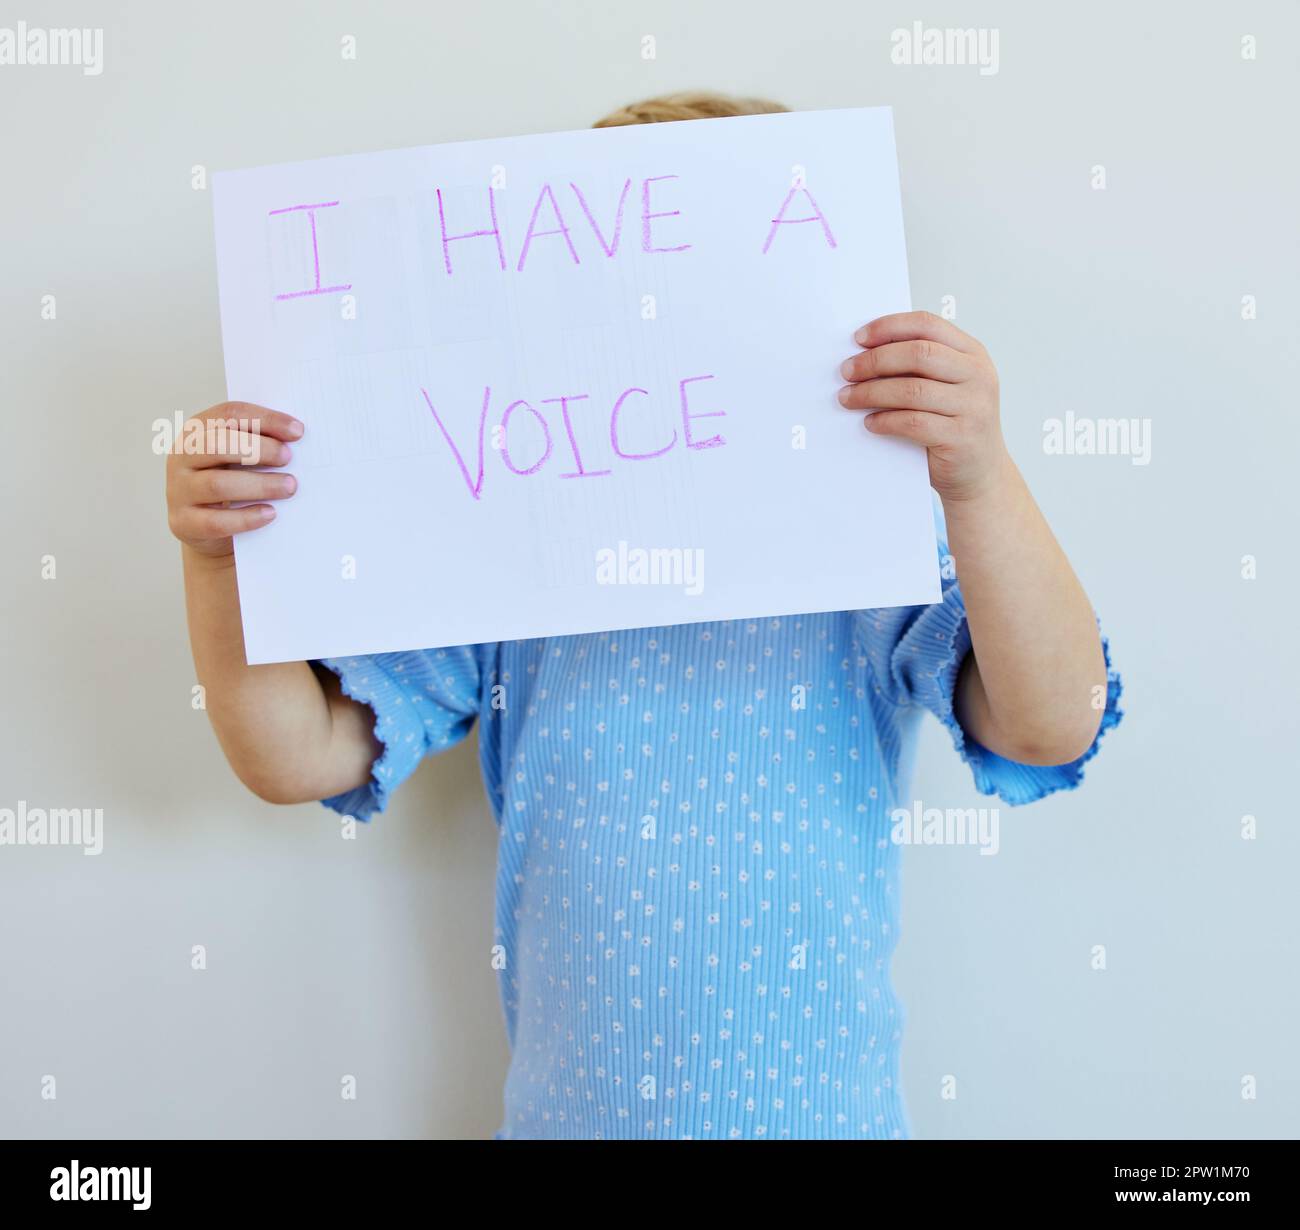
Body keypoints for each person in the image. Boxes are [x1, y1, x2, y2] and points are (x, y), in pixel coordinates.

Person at [166, 92, 1123, 1139]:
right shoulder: (508, 561)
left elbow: (1050, 722)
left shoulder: (860, 559)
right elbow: (298, 758)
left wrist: (979, 477)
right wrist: (218, 557)